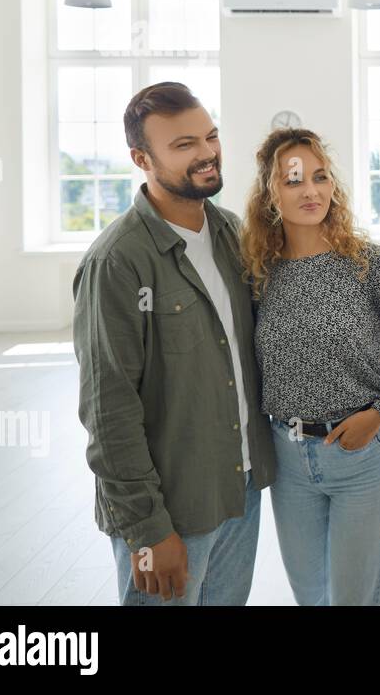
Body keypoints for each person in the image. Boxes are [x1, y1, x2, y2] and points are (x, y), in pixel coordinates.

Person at [73, 81, 274, 605]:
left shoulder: (231, 233)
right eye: (184, 145)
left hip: (238, 489)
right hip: (169, 510)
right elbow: (108, 407)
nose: (207, 153)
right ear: (141, 158)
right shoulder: (116, 262)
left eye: (210, 137)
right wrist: (147, 529)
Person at [243, 127, 380, 606]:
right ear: (270, 194)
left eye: (320, 176)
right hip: (287, 460)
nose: (310, 190)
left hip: (361, 457)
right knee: (311, 598)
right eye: (293, 180)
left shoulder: (369, 265)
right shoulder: (256, 273)